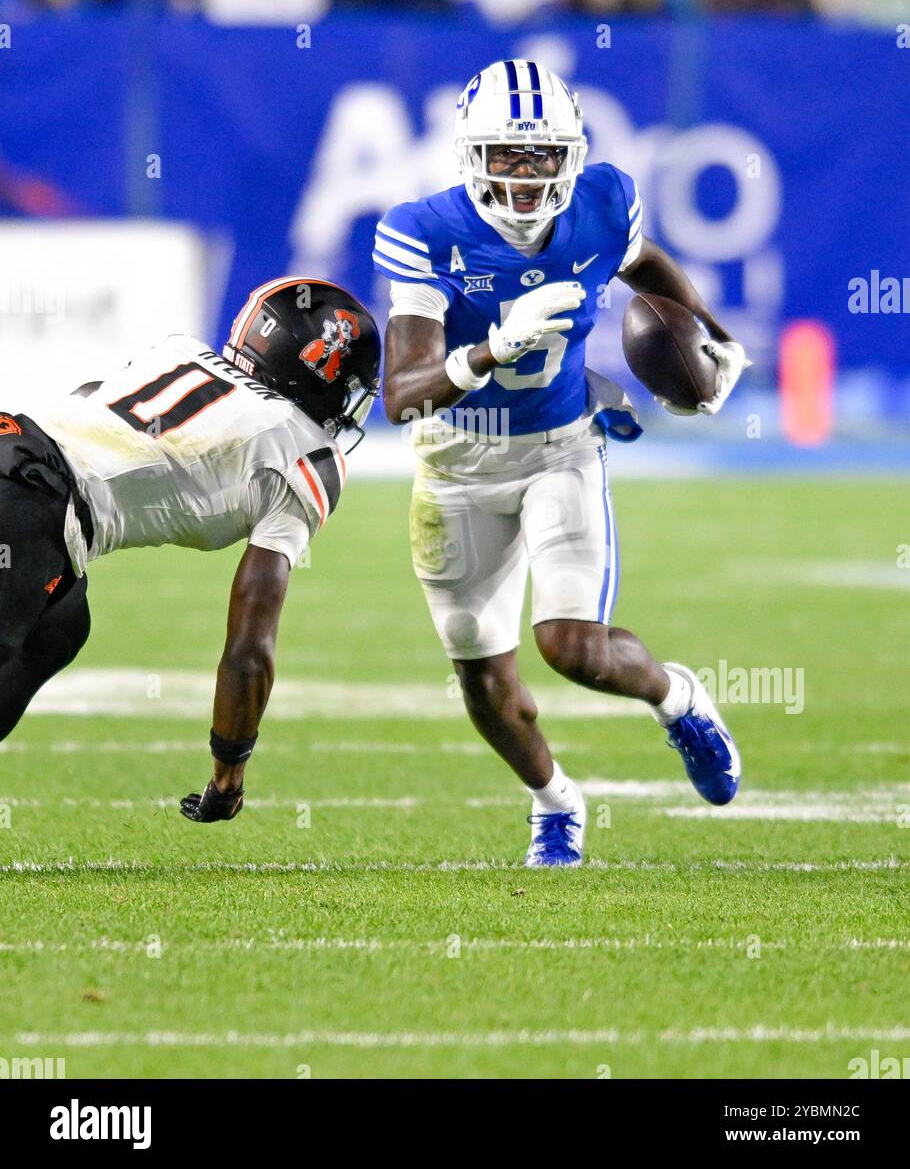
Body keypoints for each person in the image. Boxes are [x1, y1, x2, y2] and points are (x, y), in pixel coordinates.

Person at [374, 59, 748, 867]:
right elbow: (401, 397)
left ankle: (676, 697)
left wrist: (707, 336)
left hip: (561, 446)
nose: (527, 172)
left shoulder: (604, 203)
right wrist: (488, 351)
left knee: (572, 646)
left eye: (543, 154)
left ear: (570, 155)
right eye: (508, 154)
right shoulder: (424, 231)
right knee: (483, 679)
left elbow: (644, 264)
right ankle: (556, 803)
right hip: (455, 465)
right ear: (472, 155)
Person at [0, 278, 380, 822]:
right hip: (31, 505)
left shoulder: (181, 351)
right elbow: (249, 650)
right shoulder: (305, 451)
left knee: (59, 628)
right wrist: (229, 772)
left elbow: (90, 396)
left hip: (16, 446)